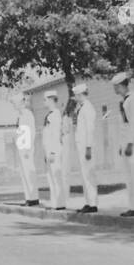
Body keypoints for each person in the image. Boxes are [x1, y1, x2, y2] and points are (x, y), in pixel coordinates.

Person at [113, 73, 134, 216]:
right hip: (127, 142)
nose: (114, 89)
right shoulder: (126, 100)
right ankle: (133, 206)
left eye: (115, 87)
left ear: (120, 85)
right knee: (129, 176)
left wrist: (130, 144)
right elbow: (124, 126)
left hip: (133, 143)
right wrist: (122, 144)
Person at [72, 83, 98, 213]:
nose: (75, 97)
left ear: (81, 94)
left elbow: (90, 130)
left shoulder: (88, 108)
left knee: (89, 174)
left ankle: (93, 204)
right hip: (81, 145)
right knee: (84, 175)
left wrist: (88, 147)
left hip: (87, 146)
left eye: (76, 95)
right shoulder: (81, 108)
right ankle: (88, 202)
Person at [42, 92, 67, 210]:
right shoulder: (50, 115)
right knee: (51, 177)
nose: (44, 102)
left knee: (56, 177)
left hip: (54, 150)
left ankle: (60, 203)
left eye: (45, 100)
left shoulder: (55, 115)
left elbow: (56, 135)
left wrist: (52, 152)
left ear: (51, 100)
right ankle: (55, 203)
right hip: (49, 150)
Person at [14, 91, 39, 207]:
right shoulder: (21, 115)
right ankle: (28, 197)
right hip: (21, 148)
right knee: (24, 173)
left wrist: (27, 149)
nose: (15, 105)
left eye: (16, 103)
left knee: (29, 172)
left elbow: (30, 132)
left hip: (26, 149)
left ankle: (33, 198)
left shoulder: (27, 114)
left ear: (21, 102)